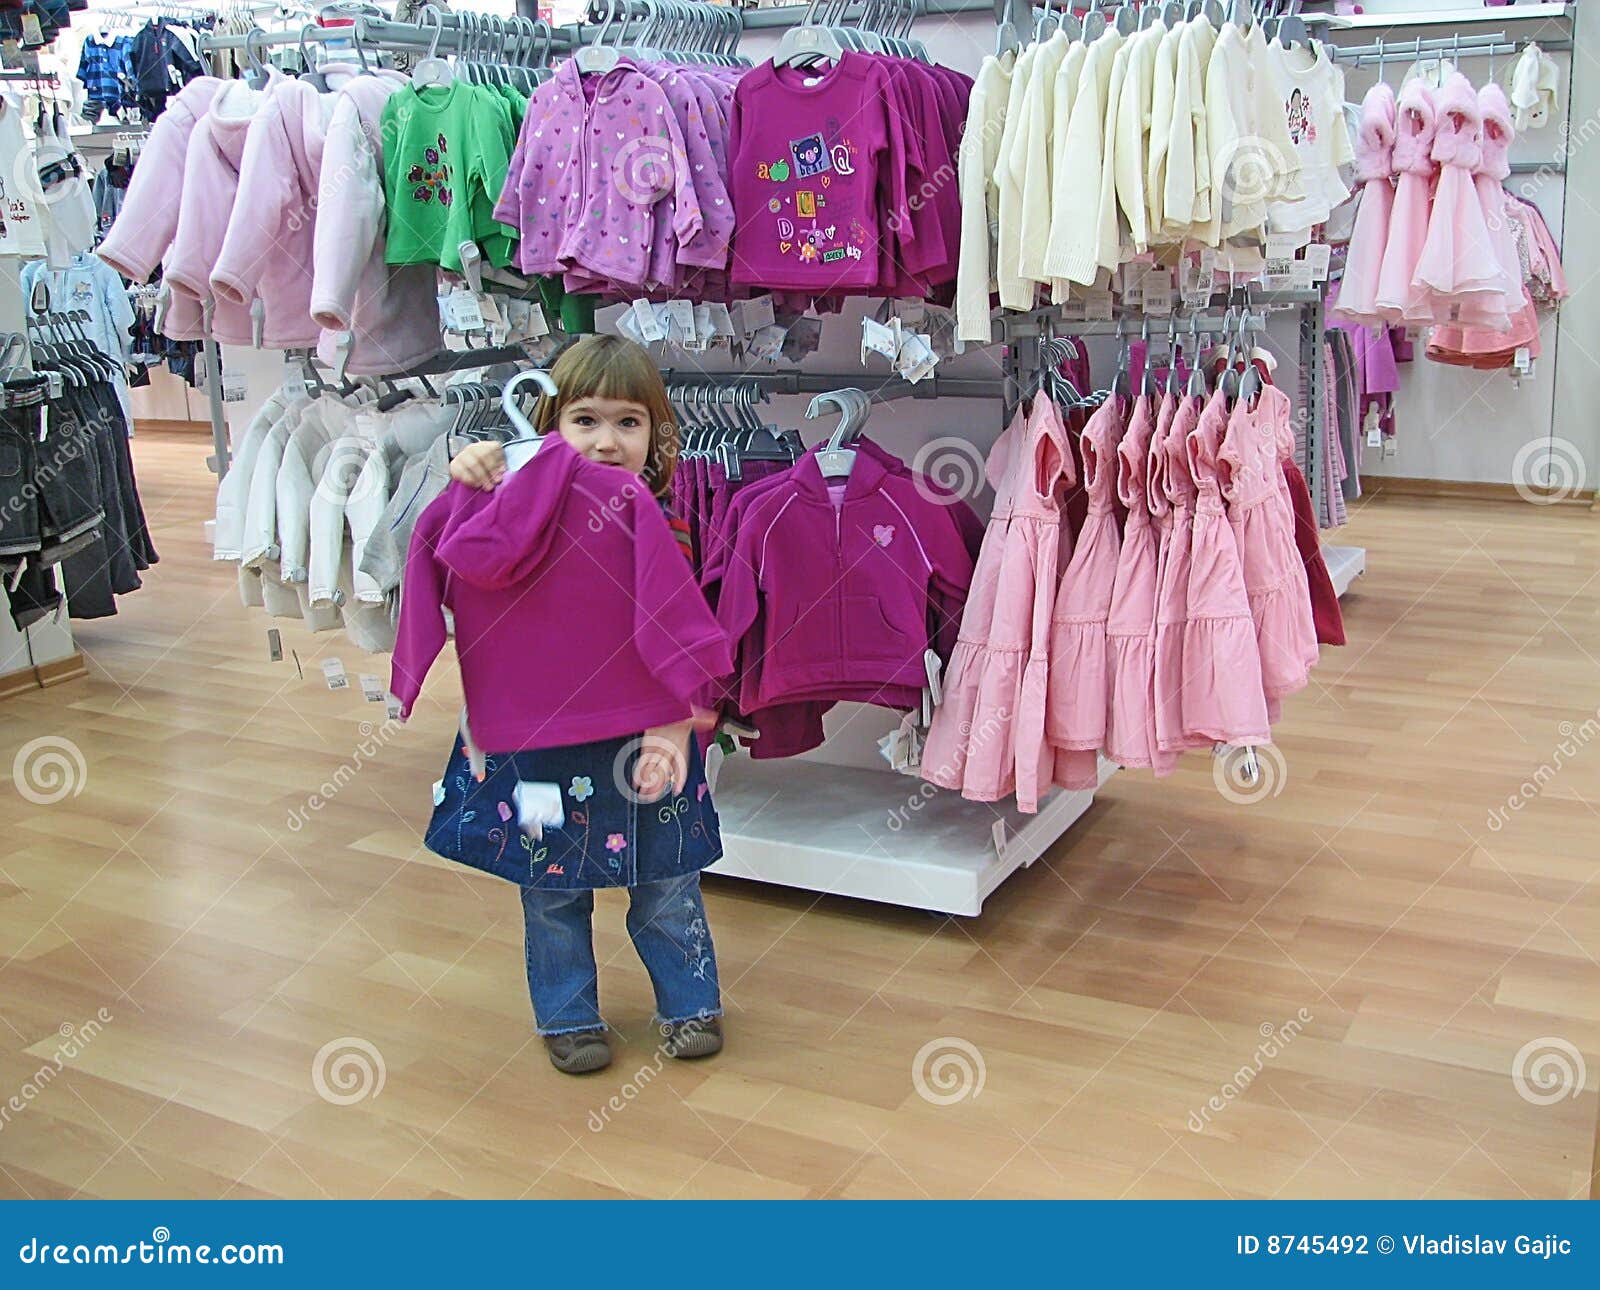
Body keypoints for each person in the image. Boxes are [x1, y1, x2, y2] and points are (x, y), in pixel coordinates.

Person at [440, 335, 723, 1075]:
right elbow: (459, 552)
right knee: (550, 887)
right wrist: (470, 479)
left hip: (649, 739)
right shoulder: (514, 518)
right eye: (585, 421)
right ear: (548, 426)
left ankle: (690, 1003)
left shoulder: (667, 521)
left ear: (655, 435)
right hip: (542, 744)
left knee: (666, 879)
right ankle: (567, 1014)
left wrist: (677, 731)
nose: (606, 442)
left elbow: (685, 644)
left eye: (629, 423)